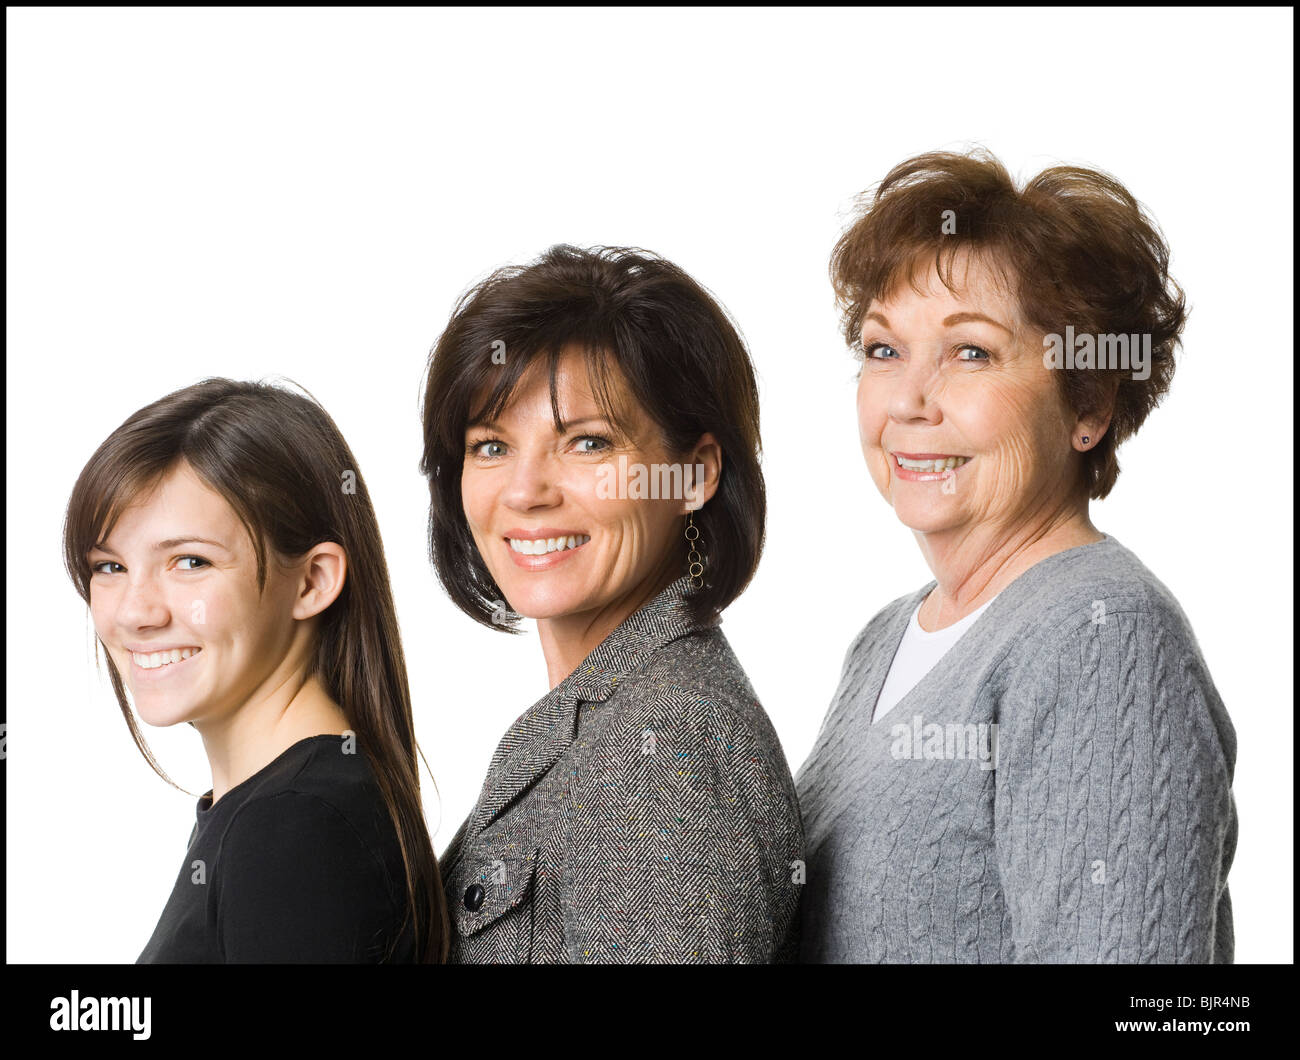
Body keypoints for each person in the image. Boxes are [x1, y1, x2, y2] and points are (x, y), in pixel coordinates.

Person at [796, 149, 1237, 963]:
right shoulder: (886, 640)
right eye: (883, 349)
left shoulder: (1103, 638)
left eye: (971, 353)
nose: (908, 402)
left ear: (1089, 404)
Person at [422, 244, 803, 962]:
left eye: (588, 443)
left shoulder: (662, 748)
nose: (527, 491)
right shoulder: (614, 714)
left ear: (694, 474)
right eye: (491, 446)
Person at [63, 378, 448, 962]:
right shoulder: (273, 809)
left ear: (314, 580)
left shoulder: (291, 827)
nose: (136, 612)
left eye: (190, 561)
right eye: (110, 566)